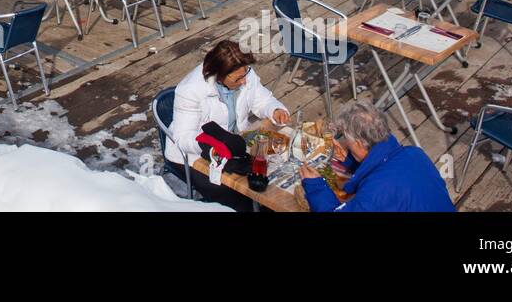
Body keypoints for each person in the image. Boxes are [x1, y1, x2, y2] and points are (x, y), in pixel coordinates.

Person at [166, 40, 291, 210]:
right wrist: (213, 146)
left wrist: (274, 110)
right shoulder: (190, 90)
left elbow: (262, 99)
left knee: (269, 177)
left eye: (246, 73)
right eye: (238, 78)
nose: (245, 81)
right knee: (238, 195)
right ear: (219, 74)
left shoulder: (244, 72)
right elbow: (182, 138)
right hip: (193, 156)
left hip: (236, 144)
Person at [301, 101, 455, 212]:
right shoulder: (415, 153)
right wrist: (350, 161)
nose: (346, 145)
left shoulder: (375, 192)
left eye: (347, 141)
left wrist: (315, 185)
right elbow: (381, 166)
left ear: (360, 143)